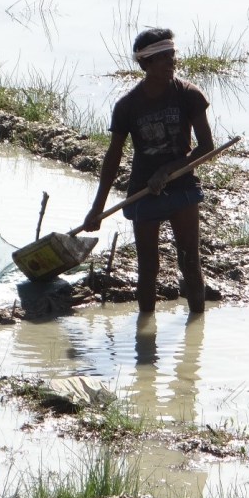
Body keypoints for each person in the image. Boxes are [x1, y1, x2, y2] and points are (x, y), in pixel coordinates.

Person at [83, 28, 215, 313]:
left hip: (181, 186)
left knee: (190, 261)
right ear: (145, 64)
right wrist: (97, 208)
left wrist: (169, 169)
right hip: (144, 192)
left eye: (172, 55)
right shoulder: (127, 107)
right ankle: (145, 341)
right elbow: (113, 158)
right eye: (162, 57)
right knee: (148, 269)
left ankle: (196, 331)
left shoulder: (189, 95)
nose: (171, 62)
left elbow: (206, 147)